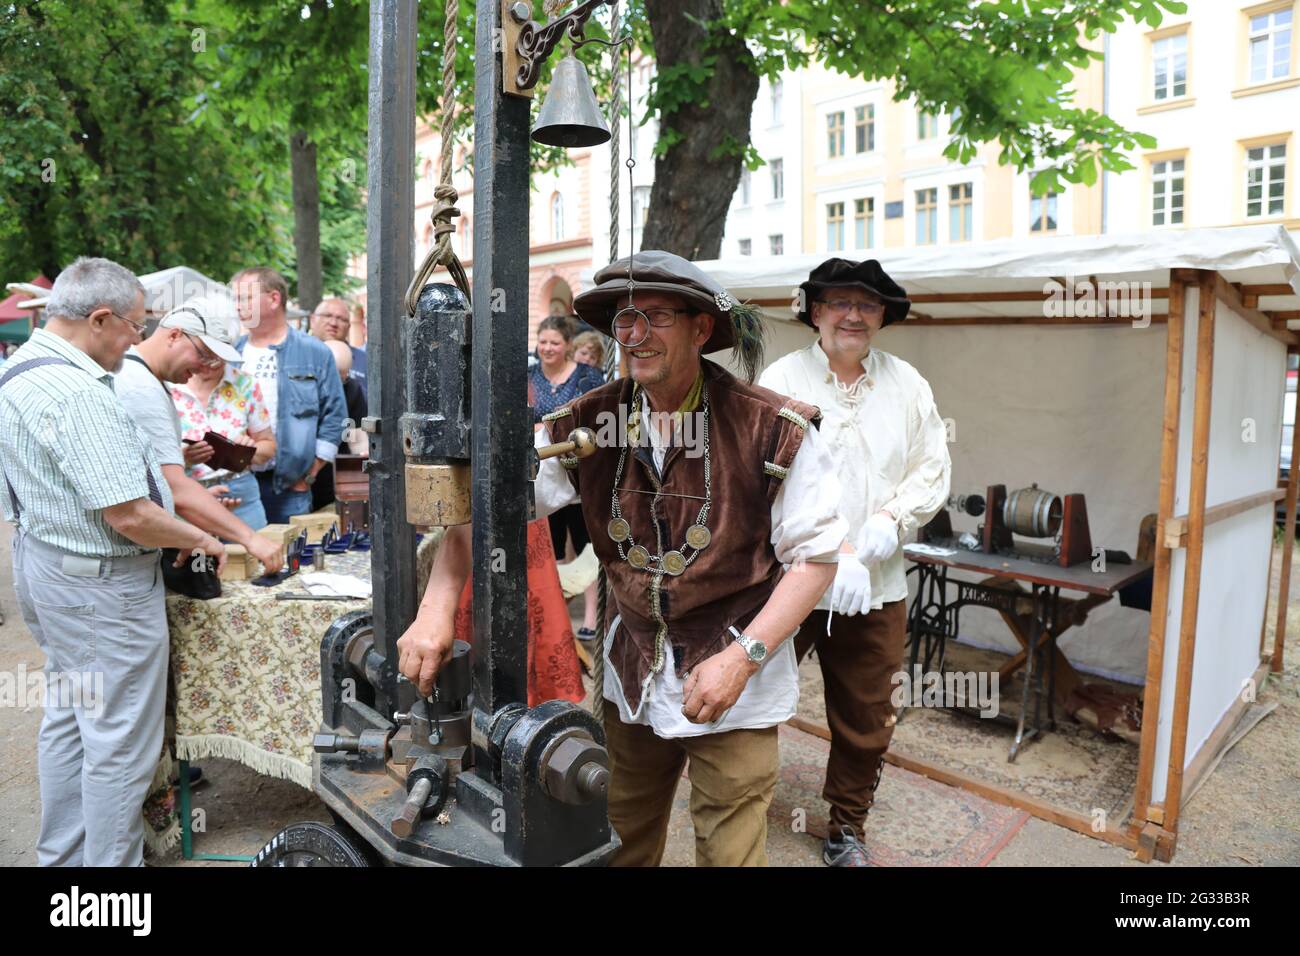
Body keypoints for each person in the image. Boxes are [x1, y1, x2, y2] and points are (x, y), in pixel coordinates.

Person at [398, 251, 853, 867]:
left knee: (731, 852)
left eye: (656, 317)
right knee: (617, 841)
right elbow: (488, 502)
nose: (635, 334)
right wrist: (436, 606)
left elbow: (814, 562)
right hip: (631, 674)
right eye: (623, 319)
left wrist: (741, 660)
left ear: (701, 328)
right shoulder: (587, 421)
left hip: (737, 681)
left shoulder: (772, 427)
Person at [0, 256, 228, 867]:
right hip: (101, 586)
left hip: (49, 565)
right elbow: (127, 515)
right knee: (120, 744)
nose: (137, 337)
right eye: (134, 324)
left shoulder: (21, 368)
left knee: (72, 722)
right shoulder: (79, 393)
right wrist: (202, 538)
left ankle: (66, 864)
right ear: (99, 318)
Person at [759, 257, 950, 866]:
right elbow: (759, 473)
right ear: (815, 312)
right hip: (787, 579)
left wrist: (890, 521)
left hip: (877, 582)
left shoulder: (908, 384)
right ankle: (737, 801)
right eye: (839, 303)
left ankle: (846, 826)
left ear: (883, 317)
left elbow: (932, 468)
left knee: (869, 712)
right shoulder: (782, 377)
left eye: (867, 306)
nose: (853, 315)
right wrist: (827, 551)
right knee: (753, 690)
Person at [114, 293, 284, 573]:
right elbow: (175, 487)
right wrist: (249, 539)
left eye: (215, 360)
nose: (204, 367)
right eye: (204, 354)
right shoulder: (143, 389)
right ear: (175, 335)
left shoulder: (149, 379)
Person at [230, 267, 347, 524]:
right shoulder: (231, 353)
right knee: (244, 560)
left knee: (292, 561)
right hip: (240, 484)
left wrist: (311, 472)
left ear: (273, 299)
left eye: (246, 298)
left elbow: (335, 416)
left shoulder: (314, 351)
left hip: (290, 488)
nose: (238, 306)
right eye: (236, 299)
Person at [529, 315, 606, 643]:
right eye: (543, 341)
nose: (547, 348)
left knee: (587, 544)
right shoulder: (528, 377)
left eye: (554, 342)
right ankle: (557, 611)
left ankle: (591, 615)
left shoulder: (588, 376)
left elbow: (596, 417)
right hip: (543, 476)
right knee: (553, 546)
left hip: (580, 475)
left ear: (567, 345)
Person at [171, 299, 277, 531]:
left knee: (255, 563)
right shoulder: (169, 387)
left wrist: (247, 451)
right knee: (198, 565)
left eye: (218, 358)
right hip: (189, 493)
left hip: (241, 493)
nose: (209, 366)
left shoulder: (245, 384)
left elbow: (269, 447)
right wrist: (186, 457)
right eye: (205, 356)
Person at [312, 340, 370, 512]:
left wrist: (362, 455)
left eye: (345, 377)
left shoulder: (352, 389)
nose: (341, 383)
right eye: (337, 376)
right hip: (307, 471)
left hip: (337, 472)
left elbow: (355, 433)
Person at [310, 296, 367, 399]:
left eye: (341, 319)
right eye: (327, 316)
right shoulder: (296, 355)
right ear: (312, 320)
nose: (333, 323)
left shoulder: (365, 361)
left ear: (349, 326)